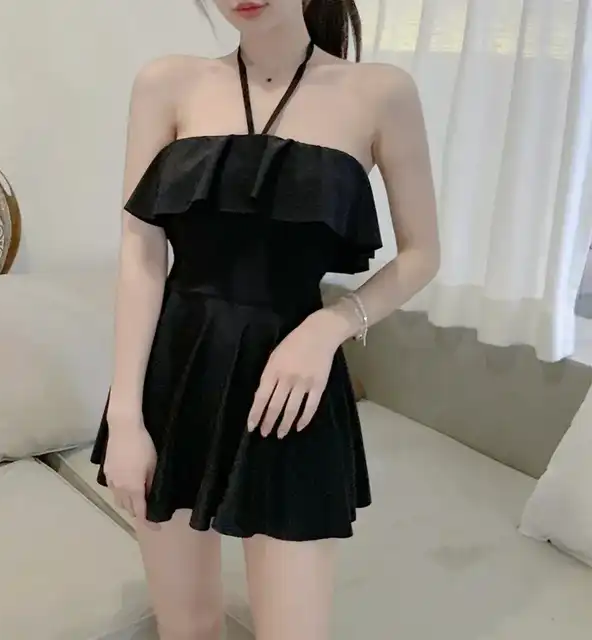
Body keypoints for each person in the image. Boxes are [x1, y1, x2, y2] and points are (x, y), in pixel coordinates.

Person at [91, 1, 439, 638]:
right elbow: (141, 257)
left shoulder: (380, 93)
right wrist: (125, 417)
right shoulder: (167, 82)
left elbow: (422, 254)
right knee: (189, 628)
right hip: (176, 376)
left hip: (292, 384)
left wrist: (330, 326)